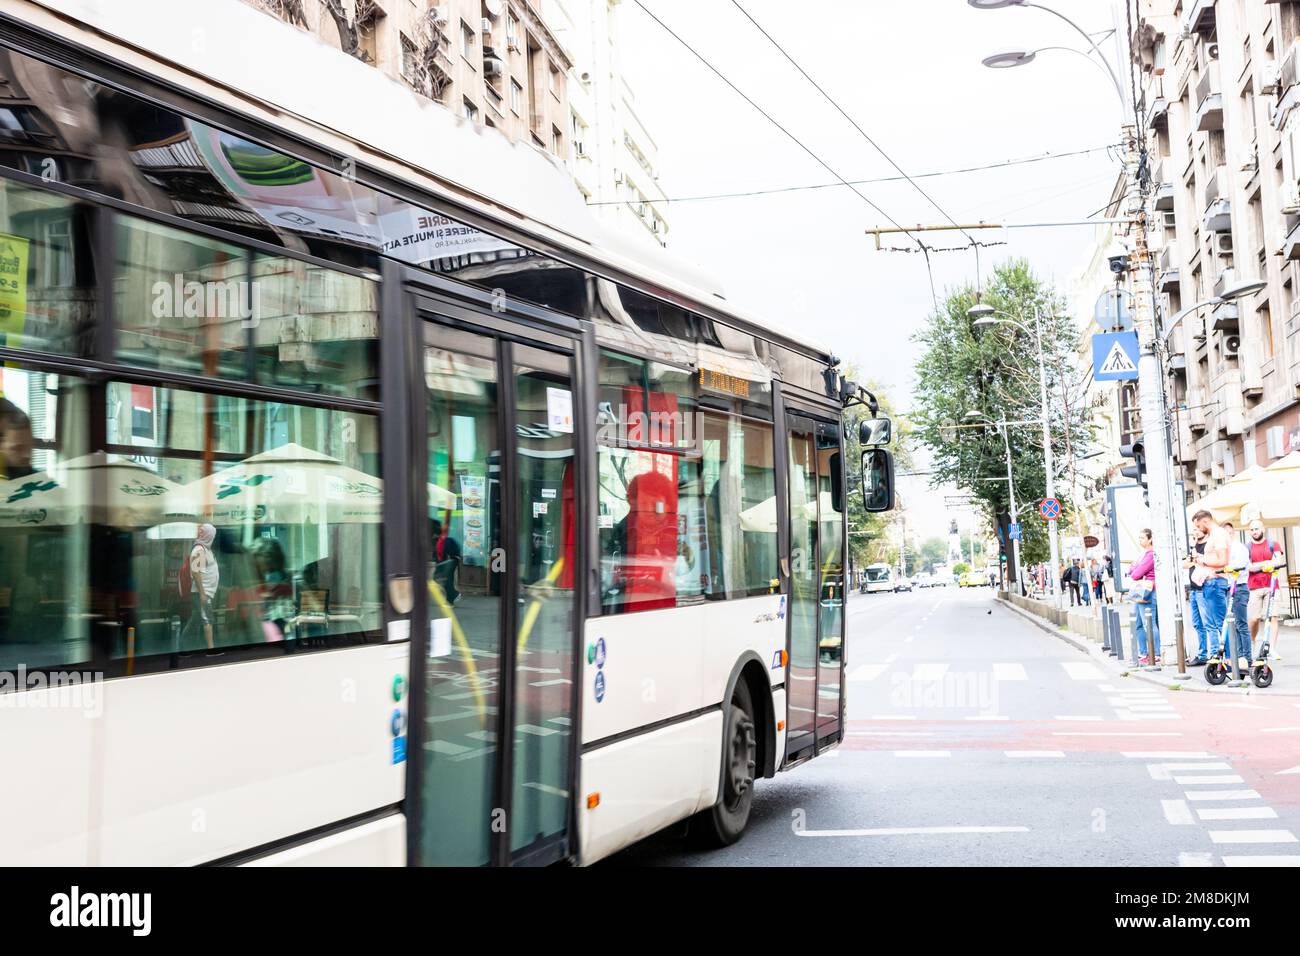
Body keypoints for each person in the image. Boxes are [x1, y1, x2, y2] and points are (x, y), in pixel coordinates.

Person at [1190, 509, 1231, 665]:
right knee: (1217, 623)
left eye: (1199, 525)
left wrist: (1203, 561)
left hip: (1216, 581)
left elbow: (1223, 559)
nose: (1199, 529)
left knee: (1220, 623)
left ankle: (1228, 659)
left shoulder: (1218, 534)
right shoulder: (1214, 534)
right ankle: (1226, 658)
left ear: (1205, 521)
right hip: (1211, 582)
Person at [1245, 518, 1284, 643]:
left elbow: (1278, 561)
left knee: (1273, 617)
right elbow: (1249, 567)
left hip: (1272, 586)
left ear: (1263, 529)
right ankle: (1252, 642)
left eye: (1256, 529)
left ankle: (1271, 648)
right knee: (1253, 619)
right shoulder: (1247, 547)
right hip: (1253, 587)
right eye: (1251, 530)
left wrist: (1259, 565)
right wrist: (1267, 563)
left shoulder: (1273, 544)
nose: (1254, 532)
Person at [1221, 521, 1252, 669]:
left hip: (1239, 588)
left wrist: (1228, 568)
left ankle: (1247, 658)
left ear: (1229, 533)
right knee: (1234, 625)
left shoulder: (1239, 548)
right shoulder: (1227, 549)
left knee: (1241, 625)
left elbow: (1240, 566)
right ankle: (1239, 657)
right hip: (1230, 588)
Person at [182, 523, 219, 650]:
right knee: (207, 619)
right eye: (213, 535)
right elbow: (196, 572)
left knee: (195, 620)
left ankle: (182, 647)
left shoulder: (206, 549)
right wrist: (202, 593)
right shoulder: (199, 550)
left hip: (205, 592)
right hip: (202, 593)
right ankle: (211, 649)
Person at [1128, 528, 1159, 664]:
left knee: (1149, 623)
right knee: (1139, 624)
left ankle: (1156, 653)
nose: (1140, 540)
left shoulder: (1150, 554)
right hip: (1140, 590)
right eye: (1139, 537)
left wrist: (1135, 568)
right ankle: (1143, 652)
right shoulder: (1143, 554)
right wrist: (1135, 568)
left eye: (1142, 538)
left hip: (1148, 590)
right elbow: (1131, 570)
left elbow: (1135, 573)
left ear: (1150, 539)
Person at [1184, 525, 1209, 665]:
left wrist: (1194, 558)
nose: (1195, 532)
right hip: (1193, 590)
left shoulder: (1207, 546)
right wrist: (1193, 560)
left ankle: (1213, 653)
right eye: (1194, 530)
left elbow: (1200, 562)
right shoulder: (1193, 548)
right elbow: (1186, 564)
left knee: (1207, 623)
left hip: (1203, 588)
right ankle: (1202, 654)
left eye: (1198, 530)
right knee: (1197, 624)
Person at [431, 518, 462, 605]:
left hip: (449, 561)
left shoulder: (442, 539)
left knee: (446, 579)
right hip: (450, 560)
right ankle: (452, 596)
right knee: (446, 579)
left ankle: (452, 597)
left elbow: (442, 551)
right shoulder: (440, 539)